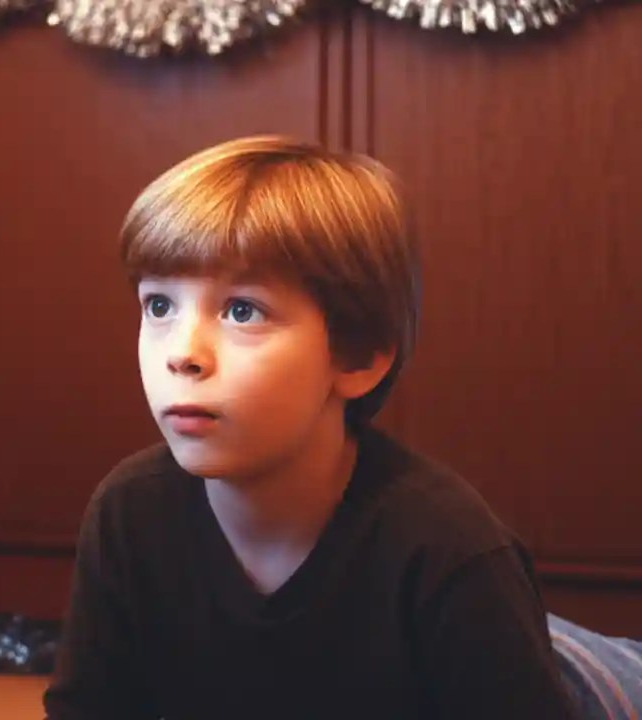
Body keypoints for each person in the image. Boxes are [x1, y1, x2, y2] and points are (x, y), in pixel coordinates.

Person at [42, 136, 576, 719]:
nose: (182, 354)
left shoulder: (450, 549)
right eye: (160, 307)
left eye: (242, 310)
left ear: (358, 356)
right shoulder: (130, 512)